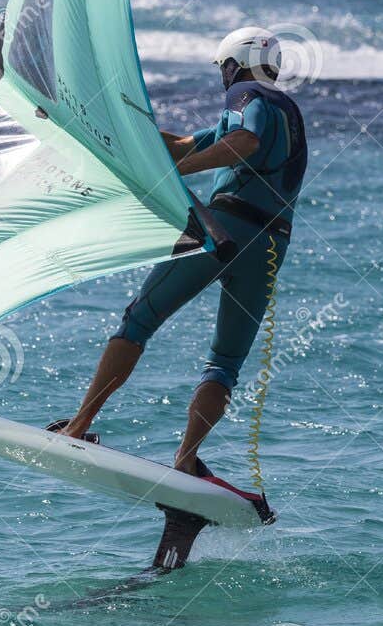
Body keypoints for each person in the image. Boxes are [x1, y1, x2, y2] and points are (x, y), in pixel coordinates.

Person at [52, 25, 308, 477]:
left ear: (234, 65)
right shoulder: (283, 112)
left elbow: (239, 146)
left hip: (224, 229)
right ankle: (185, 459)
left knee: (139, 320)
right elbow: (186, 144)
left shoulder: (247, 94)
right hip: (271, 246)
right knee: (225, 362)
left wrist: (182, 172)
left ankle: (77, 426)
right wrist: (112, 125)